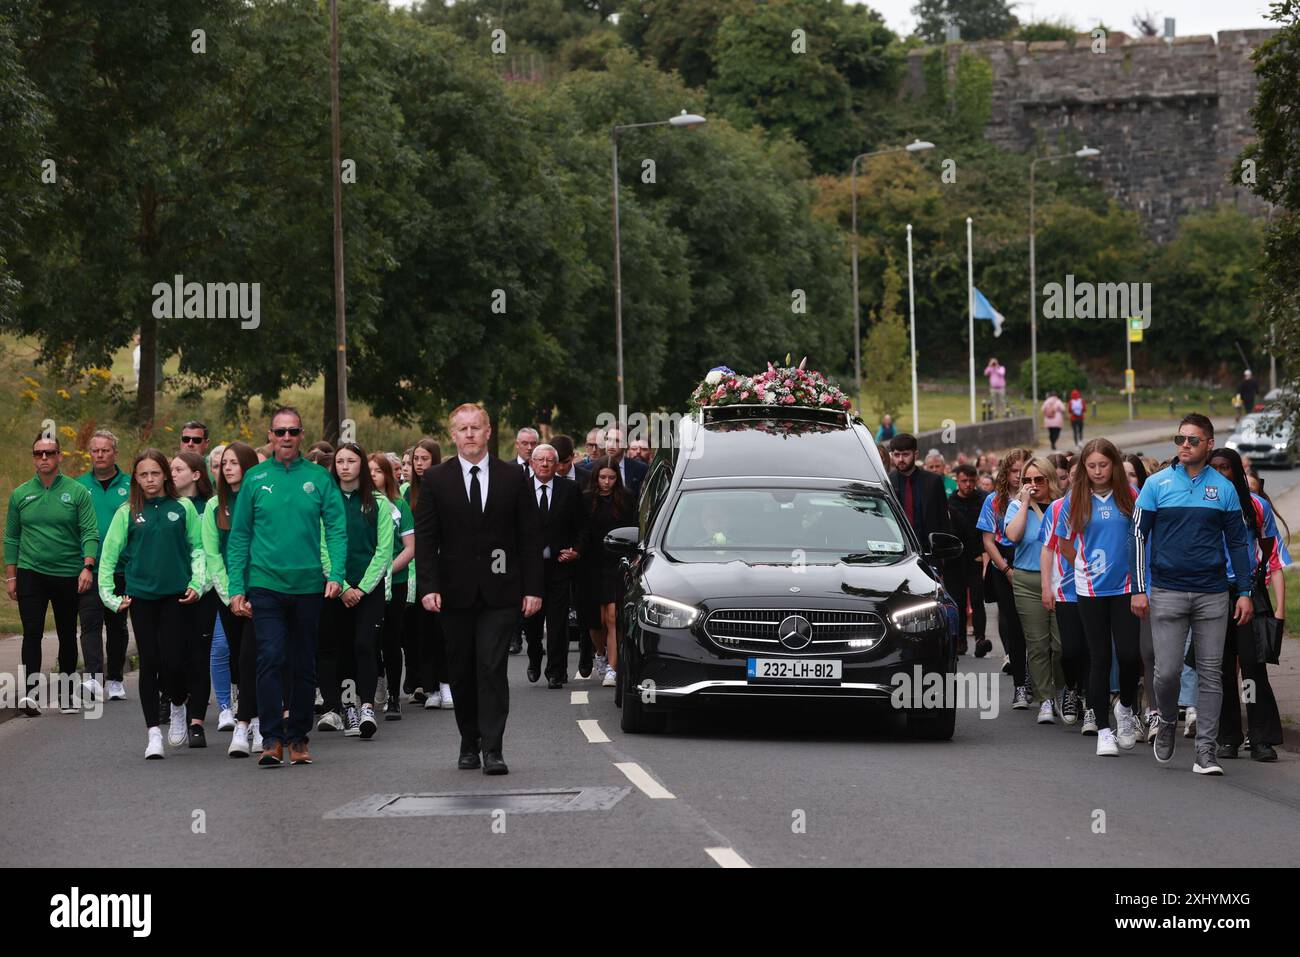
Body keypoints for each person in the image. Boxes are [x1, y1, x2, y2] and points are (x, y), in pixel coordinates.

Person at [414, 403, 543, 775]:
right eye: (462, 429)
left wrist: (533, 588)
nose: (469, 434)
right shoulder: (437, 480)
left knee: (491, 666)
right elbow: (426, 537)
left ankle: (493, 748)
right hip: (454, 594)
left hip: (501, 593)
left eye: (476, 427)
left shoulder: (513, 478)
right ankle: (468, 742)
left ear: (489, 432)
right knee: (462, 669)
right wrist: (429, 585)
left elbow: (529, 537)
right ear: (452, 435)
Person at [226, 407, 348, 768]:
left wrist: (336, 574)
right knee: (270, 658)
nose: (286, 437)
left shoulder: (319, 478)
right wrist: (236, 587)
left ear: (301, 434)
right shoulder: (254, 478)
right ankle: (271, 738)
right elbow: (240, 537)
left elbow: (338, 529)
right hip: (265, 584)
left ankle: (298, 737)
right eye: (279, 432)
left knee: (302, 662)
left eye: (292, 431)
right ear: (270, 435)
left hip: (309, 584)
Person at [1133, 414, 1253, 775]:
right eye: (1180, 439)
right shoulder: (1156, 484)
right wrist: (1140, 588)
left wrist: (1244, 591)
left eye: (1192, 440)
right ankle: (1167, 721)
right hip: (1167, 590)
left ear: (1209, 444)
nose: (1184, 445)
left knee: (1212, 673)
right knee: (1166, 672)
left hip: (1213, 593)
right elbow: (1138, 537)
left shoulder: (1225, 489)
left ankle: (1206, 751)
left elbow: (1237, 542)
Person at [97, 449, 204, 758]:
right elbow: (109, 557)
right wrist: (111, 597)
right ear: (136, 478)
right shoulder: (127, 511)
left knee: (174, 662)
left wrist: (197, 584)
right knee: (150, 663)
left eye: (155, 473)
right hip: (141, 597)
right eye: (143, 474)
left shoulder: (182, 507)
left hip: (176, 597)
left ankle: (178, 704)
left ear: (165, 475)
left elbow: (198, 549)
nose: (150, 479)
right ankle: (153, 734)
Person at [1054, 439, 1141, 755]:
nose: (1097, 471)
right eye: (1091, 466)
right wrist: (1084, 562)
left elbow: (1142, 538)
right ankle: (1104, 729)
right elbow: (1063, 543)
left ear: (1114, 465)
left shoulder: (1129, 496)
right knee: (1099, 657)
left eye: (1103, 465)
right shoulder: (1073, 501)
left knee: (1131, 655)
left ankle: (1126, 707)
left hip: (1126, 586)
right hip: (1090, 589)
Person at [5, 434, 100, 714]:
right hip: (30, 572)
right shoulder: (21, 494)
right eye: (38, 454)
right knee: (31, 632)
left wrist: (87, 565)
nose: (44, 458)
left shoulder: (77, 492)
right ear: (33, 457)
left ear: (60, 456)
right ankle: (30, 695)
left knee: (67, 633)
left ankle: (68, 694)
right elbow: (11, 537)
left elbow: (89, 532)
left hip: (67, 572)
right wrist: (12, 576)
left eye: (49, 453)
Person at [1207, 448, 1283, 762]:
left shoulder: (1256, 505)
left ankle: (1259, 736)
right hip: (1212, 593)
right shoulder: (1201, 503)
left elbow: (1269, 550)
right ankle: (1228, 737)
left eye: (1227, 467)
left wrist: (1270, 601)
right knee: (1222, 670)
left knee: (1252, 668)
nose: (1221, 473)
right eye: (1215, 468)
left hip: (1248, 592)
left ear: (1237, 471)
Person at [316, 442, 393, 739]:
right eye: (340, 461)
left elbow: (384, 550)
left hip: (368, 588)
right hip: (334, 586)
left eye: (351, 461)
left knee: (364, 644)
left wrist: (361, 588)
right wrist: (343, 585)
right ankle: (340, 708)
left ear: (361, 464)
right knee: (337, 647)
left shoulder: (377, 502)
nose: (345, 466)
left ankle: (366, 706)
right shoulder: (327, 501)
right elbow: (321, 546)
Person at [203, 442, 264, 757]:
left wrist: (253, 592)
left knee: (252, 657)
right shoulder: (215, 505)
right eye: (222, 463)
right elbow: (212, 555)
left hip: (262, 589)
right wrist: (232, 596)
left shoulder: (260, 498)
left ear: (248, 464)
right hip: (229, 595)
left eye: (233, 462)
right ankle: (250, 717)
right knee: (239, 658)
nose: (226, 467)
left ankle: (249, 725)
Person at [1004, 458, 1064, 724]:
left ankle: (1064, 690)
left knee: (1062, 644)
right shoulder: (1017, 506)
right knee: (1038, 644)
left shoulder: (1062, 506)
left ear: (1049, 480)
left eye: (1038, 480)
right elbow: (1013, 536)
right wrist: (1025, 503)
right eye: (1027, 480)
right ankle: (1046, 699)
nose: (1032, 485)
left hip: (1061, 581)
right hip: (1028, 580)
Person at [75, 429, 132, 702]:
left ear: (115, 453)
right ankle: (93, 678)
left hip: (121, 568)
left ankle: (116, 679)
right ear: (90, 453)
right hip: (90, 568)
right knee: (89, 623)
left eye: (105, 450)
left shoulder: (131, 485)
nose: (99, 454)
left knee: (118, 626)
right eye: (95, 450)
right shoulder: (78, 485)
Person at [523, 444, 583, 688]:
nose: (545, 464)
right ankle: (535, 657)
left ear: (557, 464)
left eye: (550, 460)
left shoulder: (570, 489)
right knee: (532, 621)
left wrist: (576, 550)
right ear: (532, 464)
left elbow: (582, 526)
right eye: (540, 460)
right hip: (530, 569)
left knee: (558, 622)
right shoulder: (520, 490)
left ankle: (556, 670)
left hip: (560, 566)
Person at [978, 448, 1033, 707]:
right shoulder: (994, 501)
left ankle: (1038, 677)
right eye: (1014, 471)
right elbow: (988, 540)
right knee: (1013, 624)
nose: (1018, 476)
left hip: (1032, 559)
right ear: (1005, 472)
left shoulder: (1037, 497)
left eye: (1023, 471)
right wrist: (1005, 570)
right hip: (1004, 561)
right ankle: (1020, 684)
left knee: (1035, 626)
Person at [171, 450, 219, 745]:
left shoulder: (211, 506)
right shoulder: (166, 506)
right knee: (173, 656)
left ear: (197, 474)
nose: (172, 474)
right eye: (171, 469)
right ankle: (175, 700)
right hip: (172, 590)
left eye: (178, 469)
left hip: (206, 591)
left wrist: (202, 585)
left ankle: (197, 721)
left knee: (200, 655)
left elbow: (212, 551)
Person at [1040, 460, 1091, 731]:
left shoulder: (1104, 504)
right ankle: (1071, 688)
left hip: (1099, 588)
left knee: (1095, 650)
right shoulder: (1058, 507)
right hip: (1067, 589)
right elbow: (1048, 548)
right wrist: (1046, 586)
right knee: (1070, 649)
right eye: (1073, 475)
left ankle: (1089, 699)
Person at [580, 457, 637, 688]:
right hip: (591, 563)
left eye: (611, 477)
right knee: (596, 620)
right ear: (596, 477)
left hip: (617, 562)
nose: (607, 482)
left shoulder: (626, 499)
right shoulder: (585, 500)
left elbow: (635, 527)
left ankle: (613, 668)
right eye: (603, 477)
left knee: (614, 616)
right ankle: (600, 654)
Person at [405, 437, 452, 708]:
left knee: (443, 629)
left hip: (442, 567)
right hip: (415, 571)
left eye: (424, 459)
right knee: (422, 632)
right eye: (416, 460)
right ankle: (430, 686)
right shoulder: (406, 493)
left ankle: (447, 684)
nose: (419, 464)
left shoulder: (443, 489)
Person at [370, 453, 414, 721]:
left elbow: (410, 548)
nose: (373, 475)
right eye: (370, 471)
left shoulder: (399, 505)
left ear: (388, 474)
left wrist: (387, 570)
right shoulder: (361, 506)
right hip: (367, 583)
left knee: (391, 639)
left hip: (394, 581)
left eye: (378, 471)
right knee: (370, 640)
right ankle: (377, 681)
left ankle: (395, 697)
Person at [947, 464, 991, 657]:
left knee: (977, 600)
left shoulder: (982, 499)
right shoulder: (950, 502)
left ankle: (980, 638)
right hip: (955, 559)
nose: (968, 485)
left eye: (972, 481)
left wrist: (984, 555)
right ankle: (961, 640)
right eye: (964, 481)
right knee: (956, 601)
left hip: (977, 556)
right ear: (957, 480)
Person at [888, 434, 953, 547]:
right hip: (898, 548)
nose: (901, 459)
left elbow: (943, 519)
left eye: (905, 454)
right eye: (896, 455)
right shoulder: (887, 481)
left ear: (916, 454)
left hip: (929, 549)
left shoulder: (933, 481)